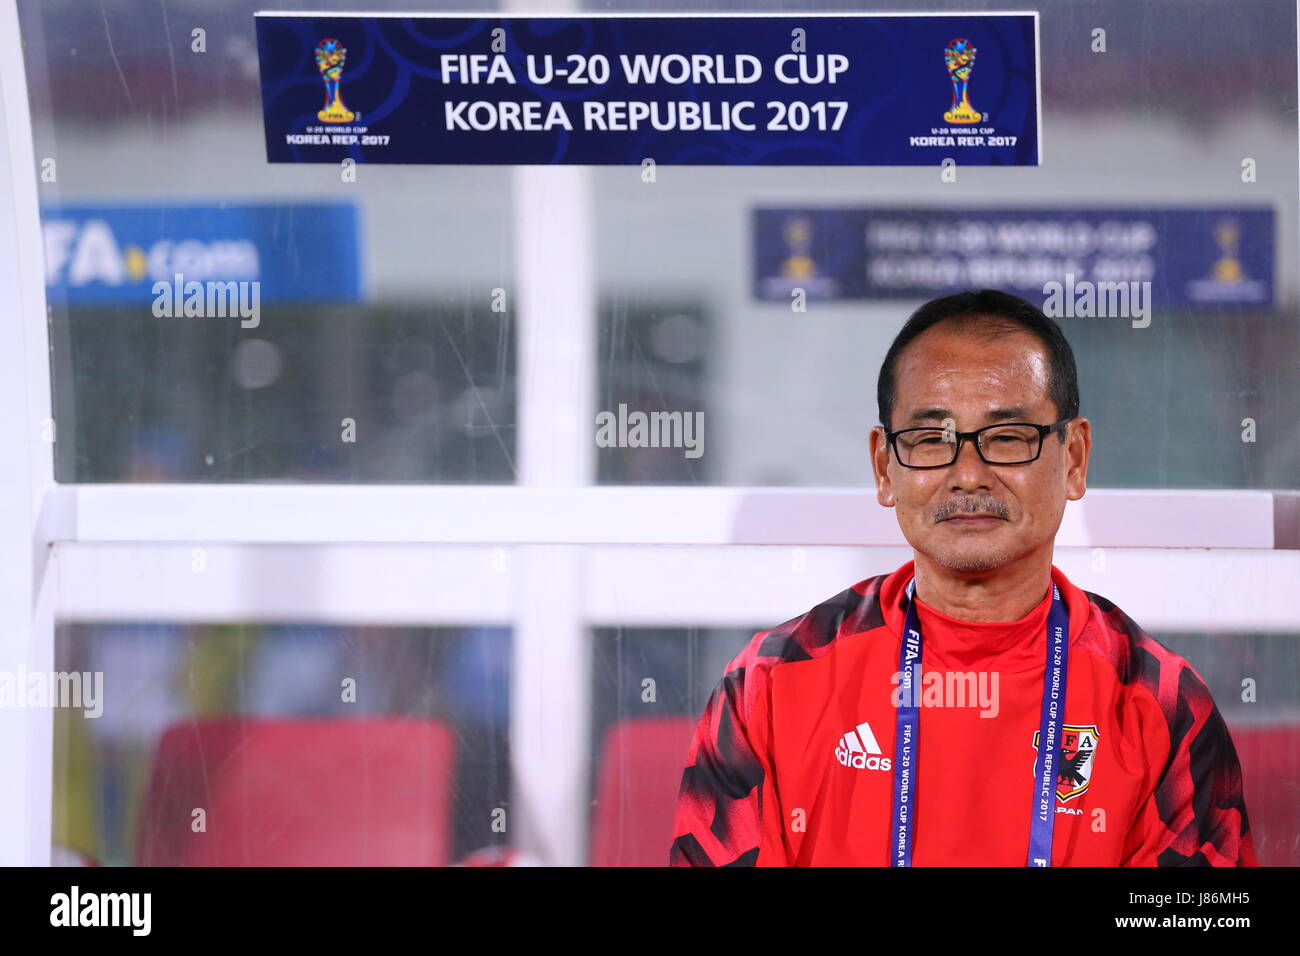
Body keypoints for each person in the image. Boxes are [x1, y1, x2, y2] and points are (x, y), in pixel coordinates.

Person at [669, 289, 1256, 867]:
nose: (968, 474)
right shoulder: (771, 683)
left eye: (1007, 437)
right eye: (930, 440)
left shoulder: (1161, 704)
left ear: (1074, 458)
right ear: (884, 468)